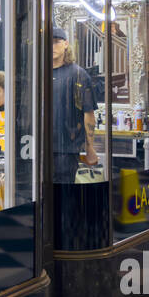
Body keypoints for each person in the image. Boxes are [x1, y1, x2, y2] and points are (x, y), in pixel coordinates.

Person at [52, 26, 97, 183]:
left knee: (63, 198)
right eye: (48, 42)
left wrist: (90, 147)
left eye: (56, 42)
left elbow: (88, 114)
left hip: (67, 149)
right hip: (37, 147)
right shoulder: (38, 74)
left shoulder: (78, 75)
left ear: (65, 44)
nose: (52, 46)